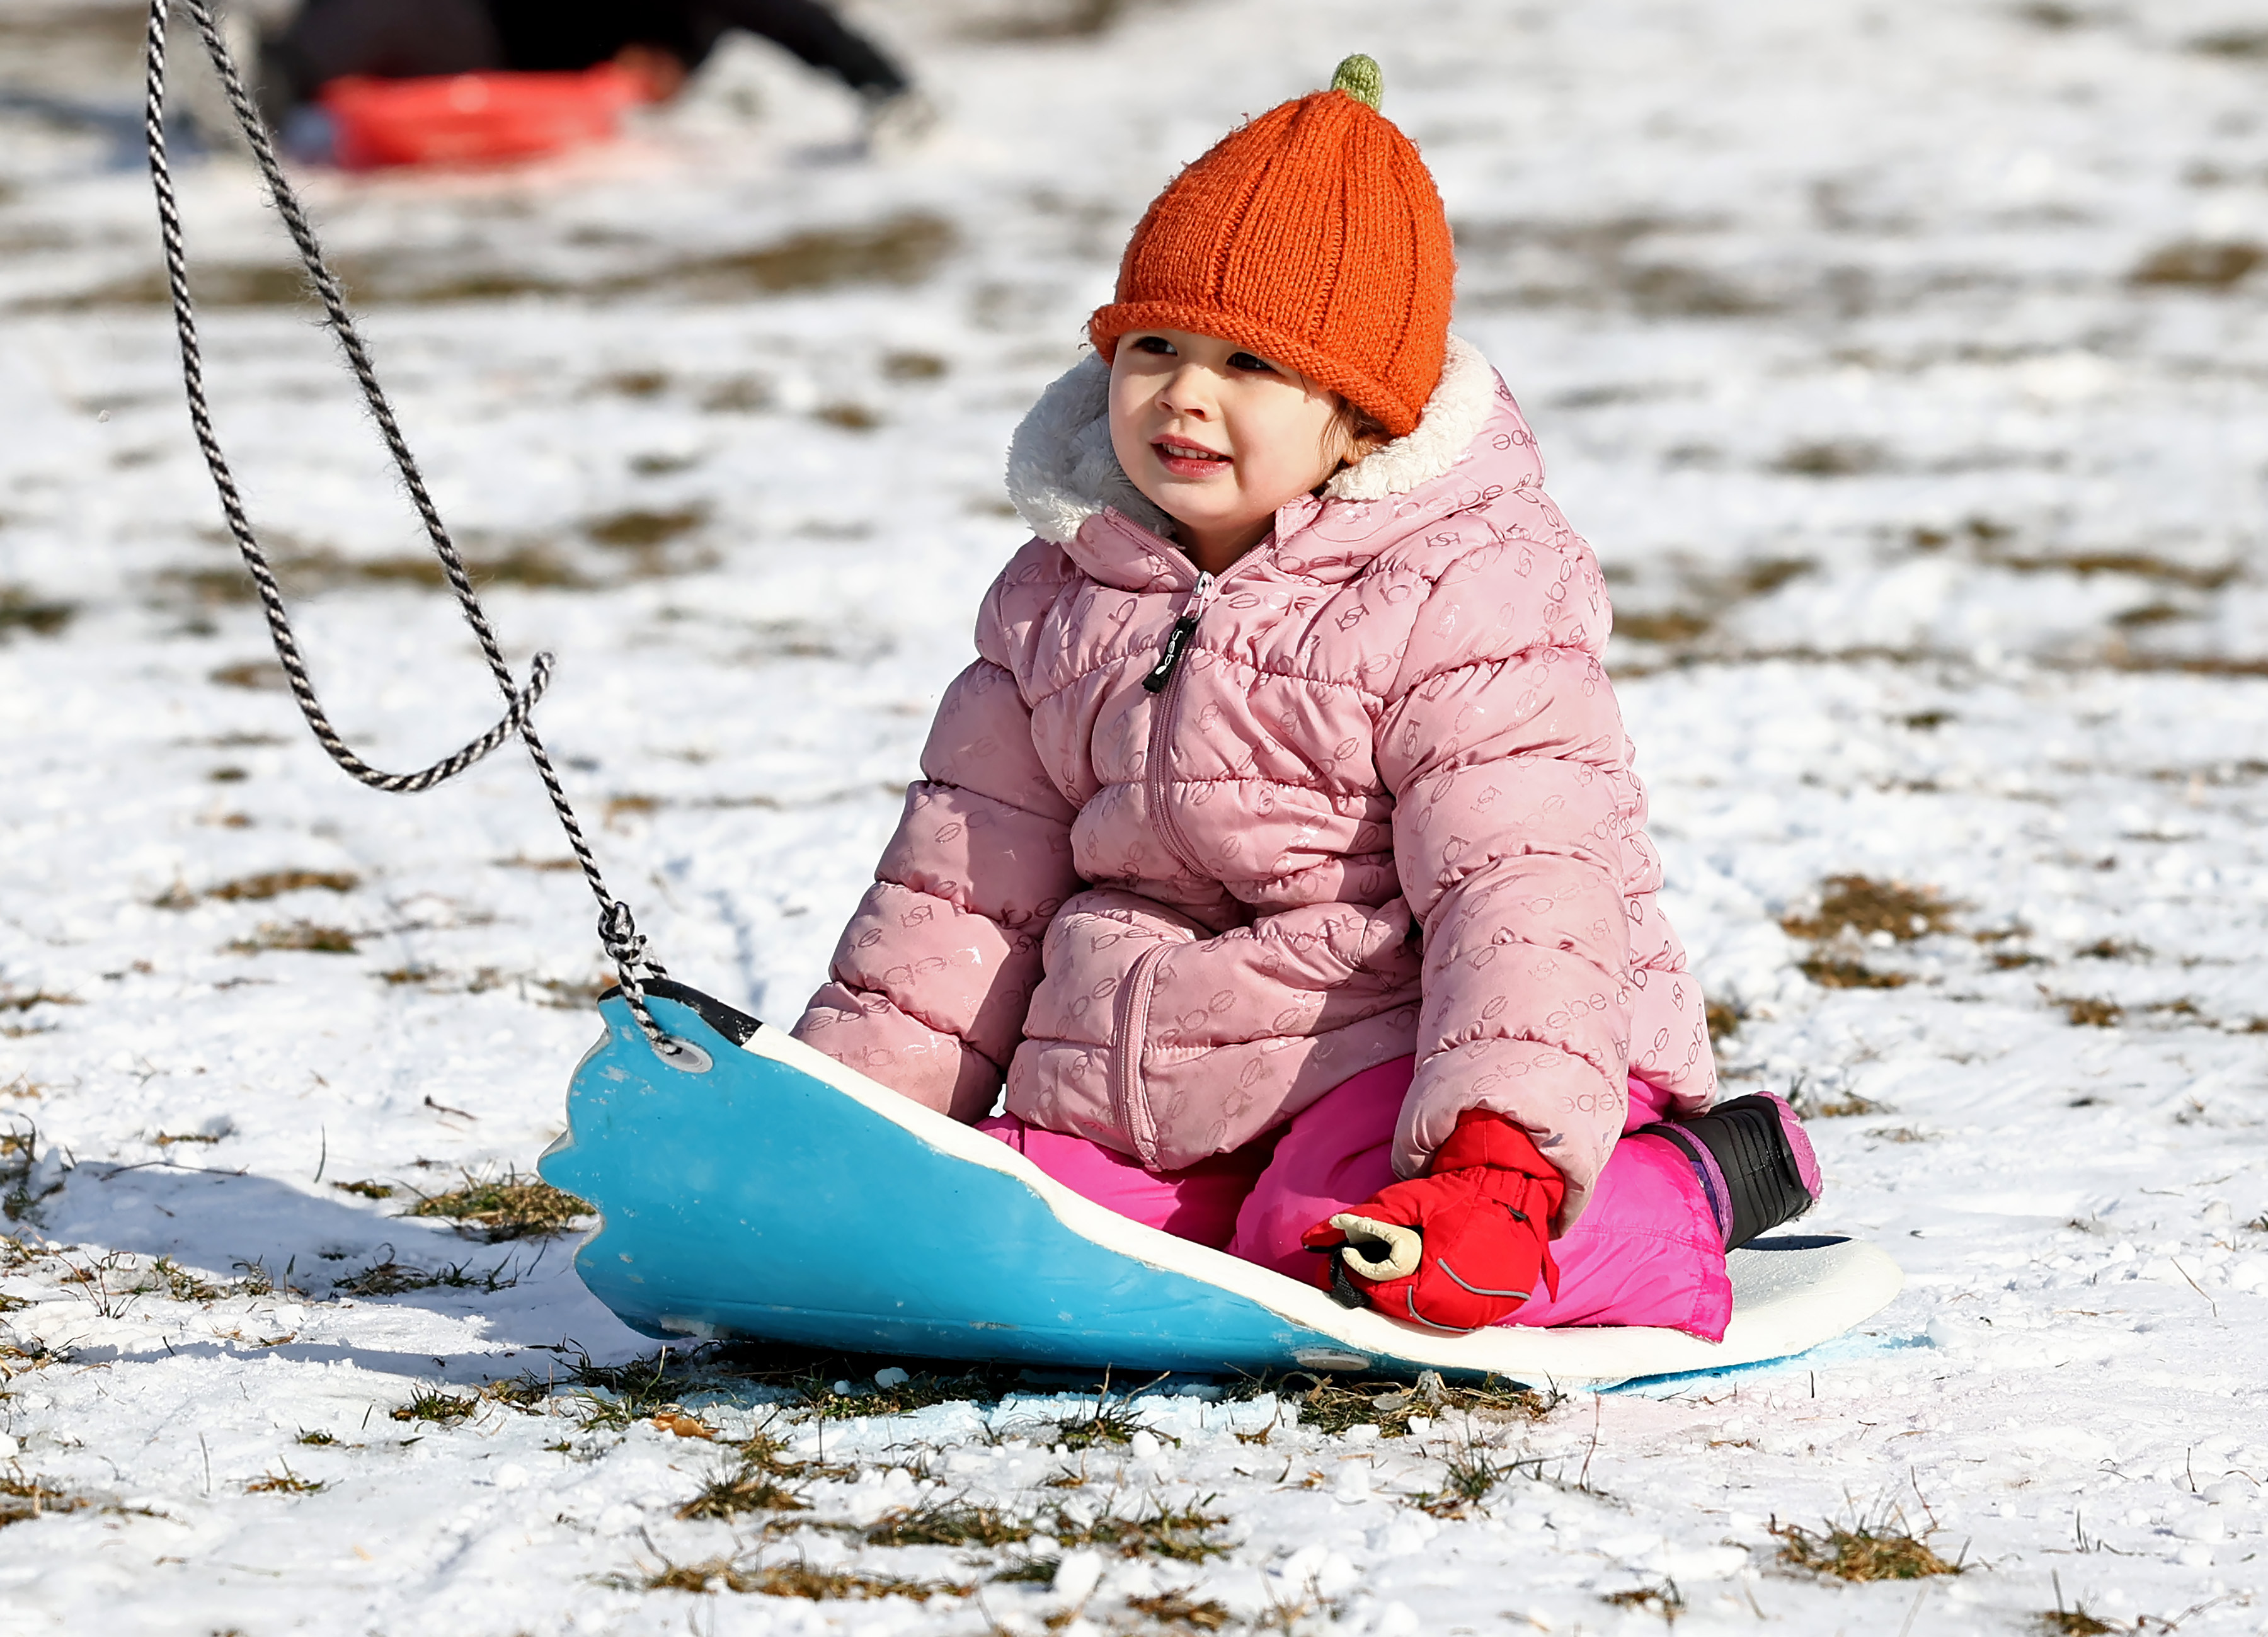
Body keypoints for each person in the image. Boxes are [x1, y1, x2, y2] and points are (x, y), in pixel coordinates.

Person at [790, 57, 1820, 1338]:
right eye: (1152, 347)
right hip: (1142, 1074)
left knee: (1336, 1246)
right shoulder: (1065, 590)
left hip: (1403, 1064)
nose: (1185, 395)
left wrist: (1498, 1159)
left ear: (1362, 422)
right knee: (1008, 1216)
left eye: (1252, 366)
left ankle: (1663, 1191)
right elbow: (961, 892)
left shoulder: (1464, 592)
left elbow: (1529, 887)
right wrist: (842, 1136)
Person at [258, 0, 927, 148]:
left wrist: (673, 57)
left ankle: (888, 92)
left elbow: (781, 16)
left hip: (586, 64)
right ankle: (253, 92)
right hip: (494, 28)